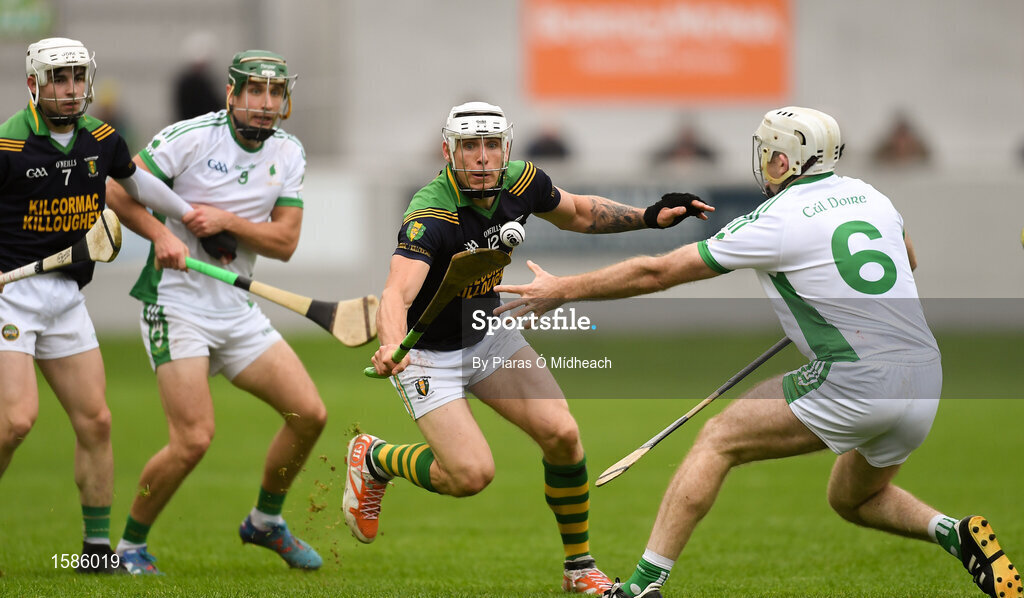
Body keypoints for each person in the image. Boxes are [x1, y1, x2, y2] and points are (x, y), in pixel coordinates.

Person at [496, 106, 1019, 598]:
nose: (764, 163)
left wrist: (566, 290)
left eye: (769, 153)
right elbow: (908, 259)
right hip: (926, 381)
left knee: (719, 440)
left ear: (787, 161)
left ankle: (640, 586)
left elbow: (657, 272)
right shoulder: (872, 196)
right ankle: (955, 534)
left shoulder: (776, 217)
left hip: (859, 379)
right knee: (854, 498)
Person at [347, 101, 713, 594]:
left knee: (562, 434)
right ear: (448, 151)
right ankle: (375, 458)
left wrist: (651, 216)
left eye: (491, 145)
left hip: (487, 326)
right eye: (469, 146)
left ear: (507, 147)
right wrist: (392, 344)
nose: (481, 157)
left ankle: (579, 569)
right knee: (470, 475)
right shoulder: (429, 213)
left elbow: (580, 212)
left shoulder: (521, 183)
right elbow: (396, 292)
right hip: (426, 352)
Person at [103, 50, 326, 575]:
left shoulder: (289, 153)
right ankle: (130, 546)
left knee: (309, 415)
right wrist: (161, 233)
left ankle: (265, 522)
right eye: (255, 91)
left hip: (236, 307)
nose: (265, 104)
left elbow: (285, 242)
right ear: (232, 94)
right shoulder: (191, 137)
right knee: (194, 439)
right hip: (175, 302)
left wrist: (228, 221)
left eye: (275, 93)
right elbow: (118, 188)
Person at [0, 37, 199, 573]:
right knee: (14, 423)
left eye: (77, 78)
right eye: (57, 80)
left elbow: (137, 187)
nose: (70, 90)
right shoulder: (8, 146)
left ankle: (91, 554)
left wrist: (186, 217)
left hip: (65, 295)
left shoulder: (103, 140)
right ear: (33, 85)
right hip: (9, 297)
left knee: (97, 422)